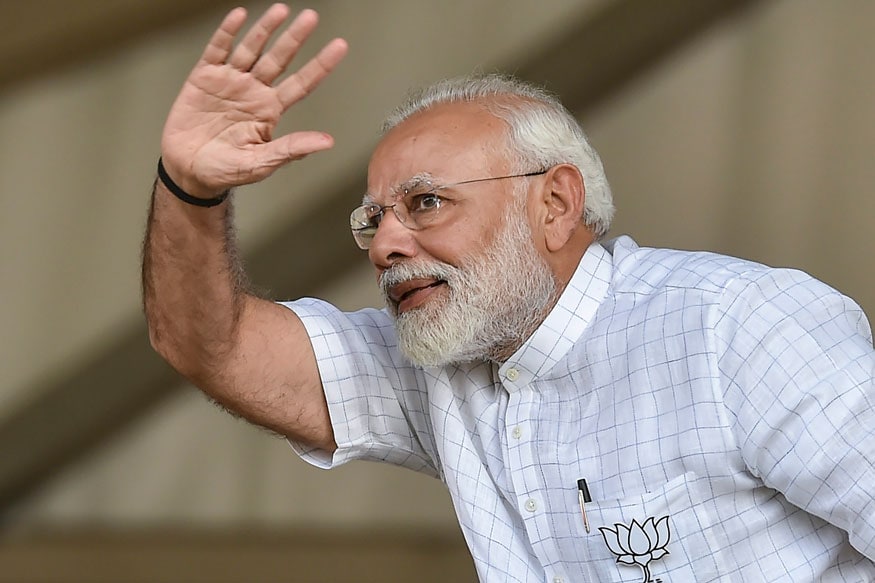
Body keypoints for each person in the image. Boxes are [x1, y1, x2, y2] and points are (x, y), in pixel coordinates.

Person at [142, 4, 875, 582]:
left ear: (554, 204)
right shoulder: (444, 356)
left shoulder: (736, 326)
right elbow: (210, 344)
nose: (388, 242)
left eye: (425, 202)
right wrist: (189, 186)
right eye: (373, 219)